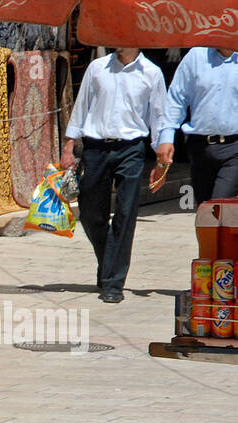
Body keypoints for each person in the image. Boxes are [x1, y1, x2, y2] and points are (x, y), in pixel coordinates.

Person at [60, 48, 172, 304]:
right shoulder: (97, 67)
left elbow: (159, 116)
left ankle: (113, 282)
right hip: (96, 147)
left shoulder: (152, 73)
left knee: (126, 213)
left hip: (131, 148)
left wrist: (160, 158)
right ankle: (108, 261)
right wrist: (69, 145)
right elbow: (81, 106)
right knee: (90, 214)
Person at [160, 46, 238, 203]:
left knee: (219, 207)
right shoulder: (196, 56)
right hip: (200, 147)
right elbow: (177, 97)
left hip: (234, 147)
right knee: (204, 210)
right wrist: (166, 137)